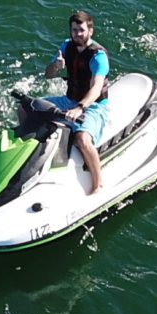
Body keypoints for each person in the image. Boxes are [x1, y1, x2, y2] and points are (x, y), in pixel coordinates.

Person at [43, 10, 109, 195]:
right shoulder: (66, 46)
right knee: (27, 108)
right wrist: (55, 67)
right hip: (69, 100)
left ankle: (98, 184)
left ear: (90, 31)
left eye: (81, 30)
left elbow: (96, 88)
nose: (77, 34)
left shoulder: (98, 56)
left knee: (82, 139)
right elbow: (48, 75)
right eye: (74, 30)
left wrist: (80, 107)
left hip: (93, 106)